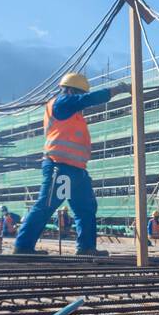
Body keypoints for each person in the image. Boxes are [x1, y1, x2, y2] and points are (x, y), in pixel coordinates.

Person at [14, 72, 129, 257]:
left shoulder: (72, 113)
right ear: (70, 90)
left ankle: (86, 248)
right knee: (47, 205)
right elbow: (88, 99)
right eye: (78, 94)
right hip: (60, 168)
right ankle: (23, 247)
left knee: (86, 208)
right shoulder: (62, 103)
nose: (79, 99)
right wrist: (118, 90)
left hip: (77, 171)